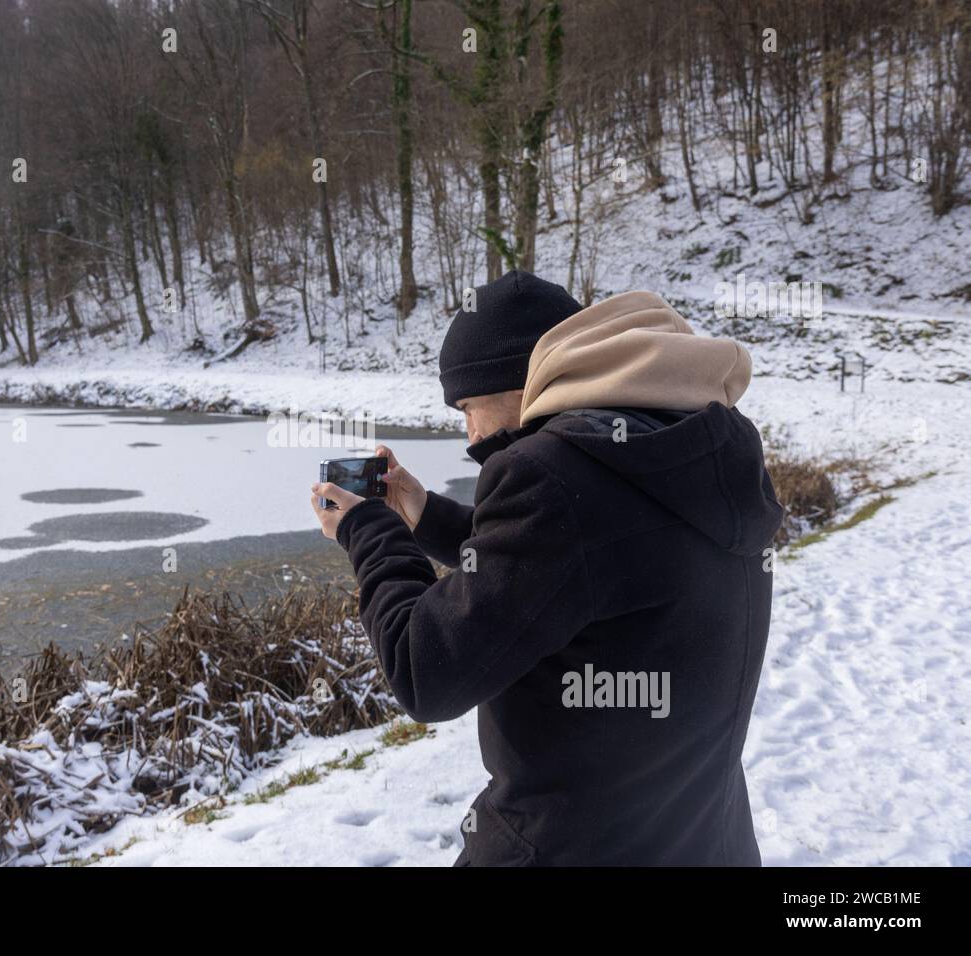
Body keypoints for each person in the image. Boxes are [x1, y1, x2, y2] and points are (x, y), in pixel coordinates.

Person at [310, 270, 784, 866]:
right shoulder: (697, 448)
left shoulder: (550, 475)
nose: (470, 432)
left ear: (519, 383)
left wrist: (366, 531)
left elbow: (423, 671)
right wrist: (422, 513)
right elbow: (572, 564)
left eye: (467, 406)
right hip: (702, 839)